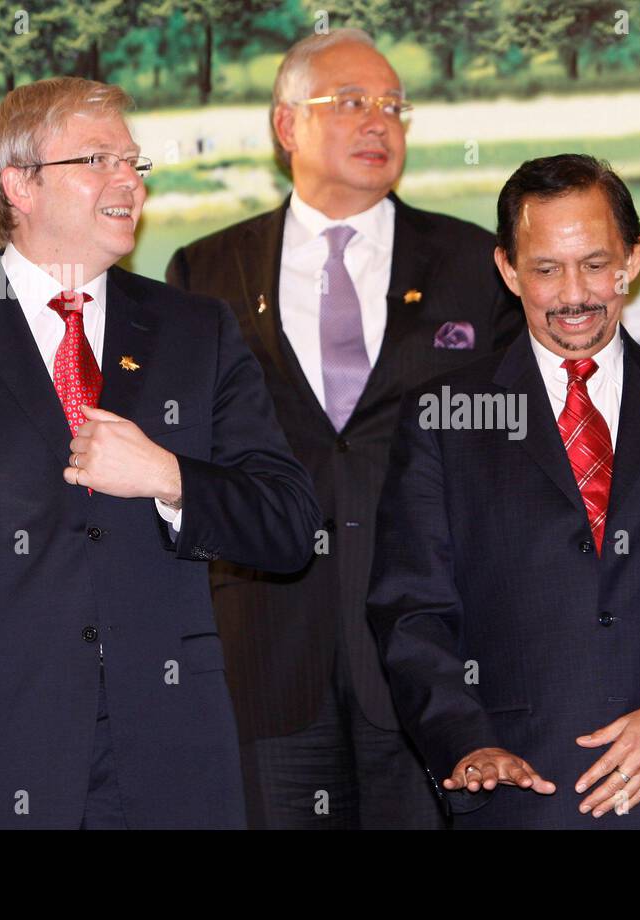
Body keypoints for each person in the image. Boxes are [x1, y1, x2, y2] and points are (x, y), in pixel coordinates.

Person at [0, 77, 321, 829]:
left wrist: (167, 478)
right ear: (19, 184)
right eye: (97, 160)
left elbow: (288, 525)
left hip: (174, 755)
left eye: (134, 163)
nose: (128, 181)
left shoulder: (198, 331)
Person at [166, 30, 522, 829]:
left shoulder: (475, 265)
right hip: (266, 656)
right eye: (352, 103)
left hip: (431, 665)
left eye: (394, 107)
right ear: (286, 124)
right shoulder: (206, 273)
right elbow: (192, 470)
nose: (379, 123)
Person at [367, 154, 640, 828]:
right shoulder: (445, 417)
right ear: (508, 270)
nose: (574, 294)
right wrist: (470, 741)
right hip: (523, 795)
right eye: (546, 269)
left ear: (635, 258)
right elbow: (412, 611)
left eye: (597, 264)